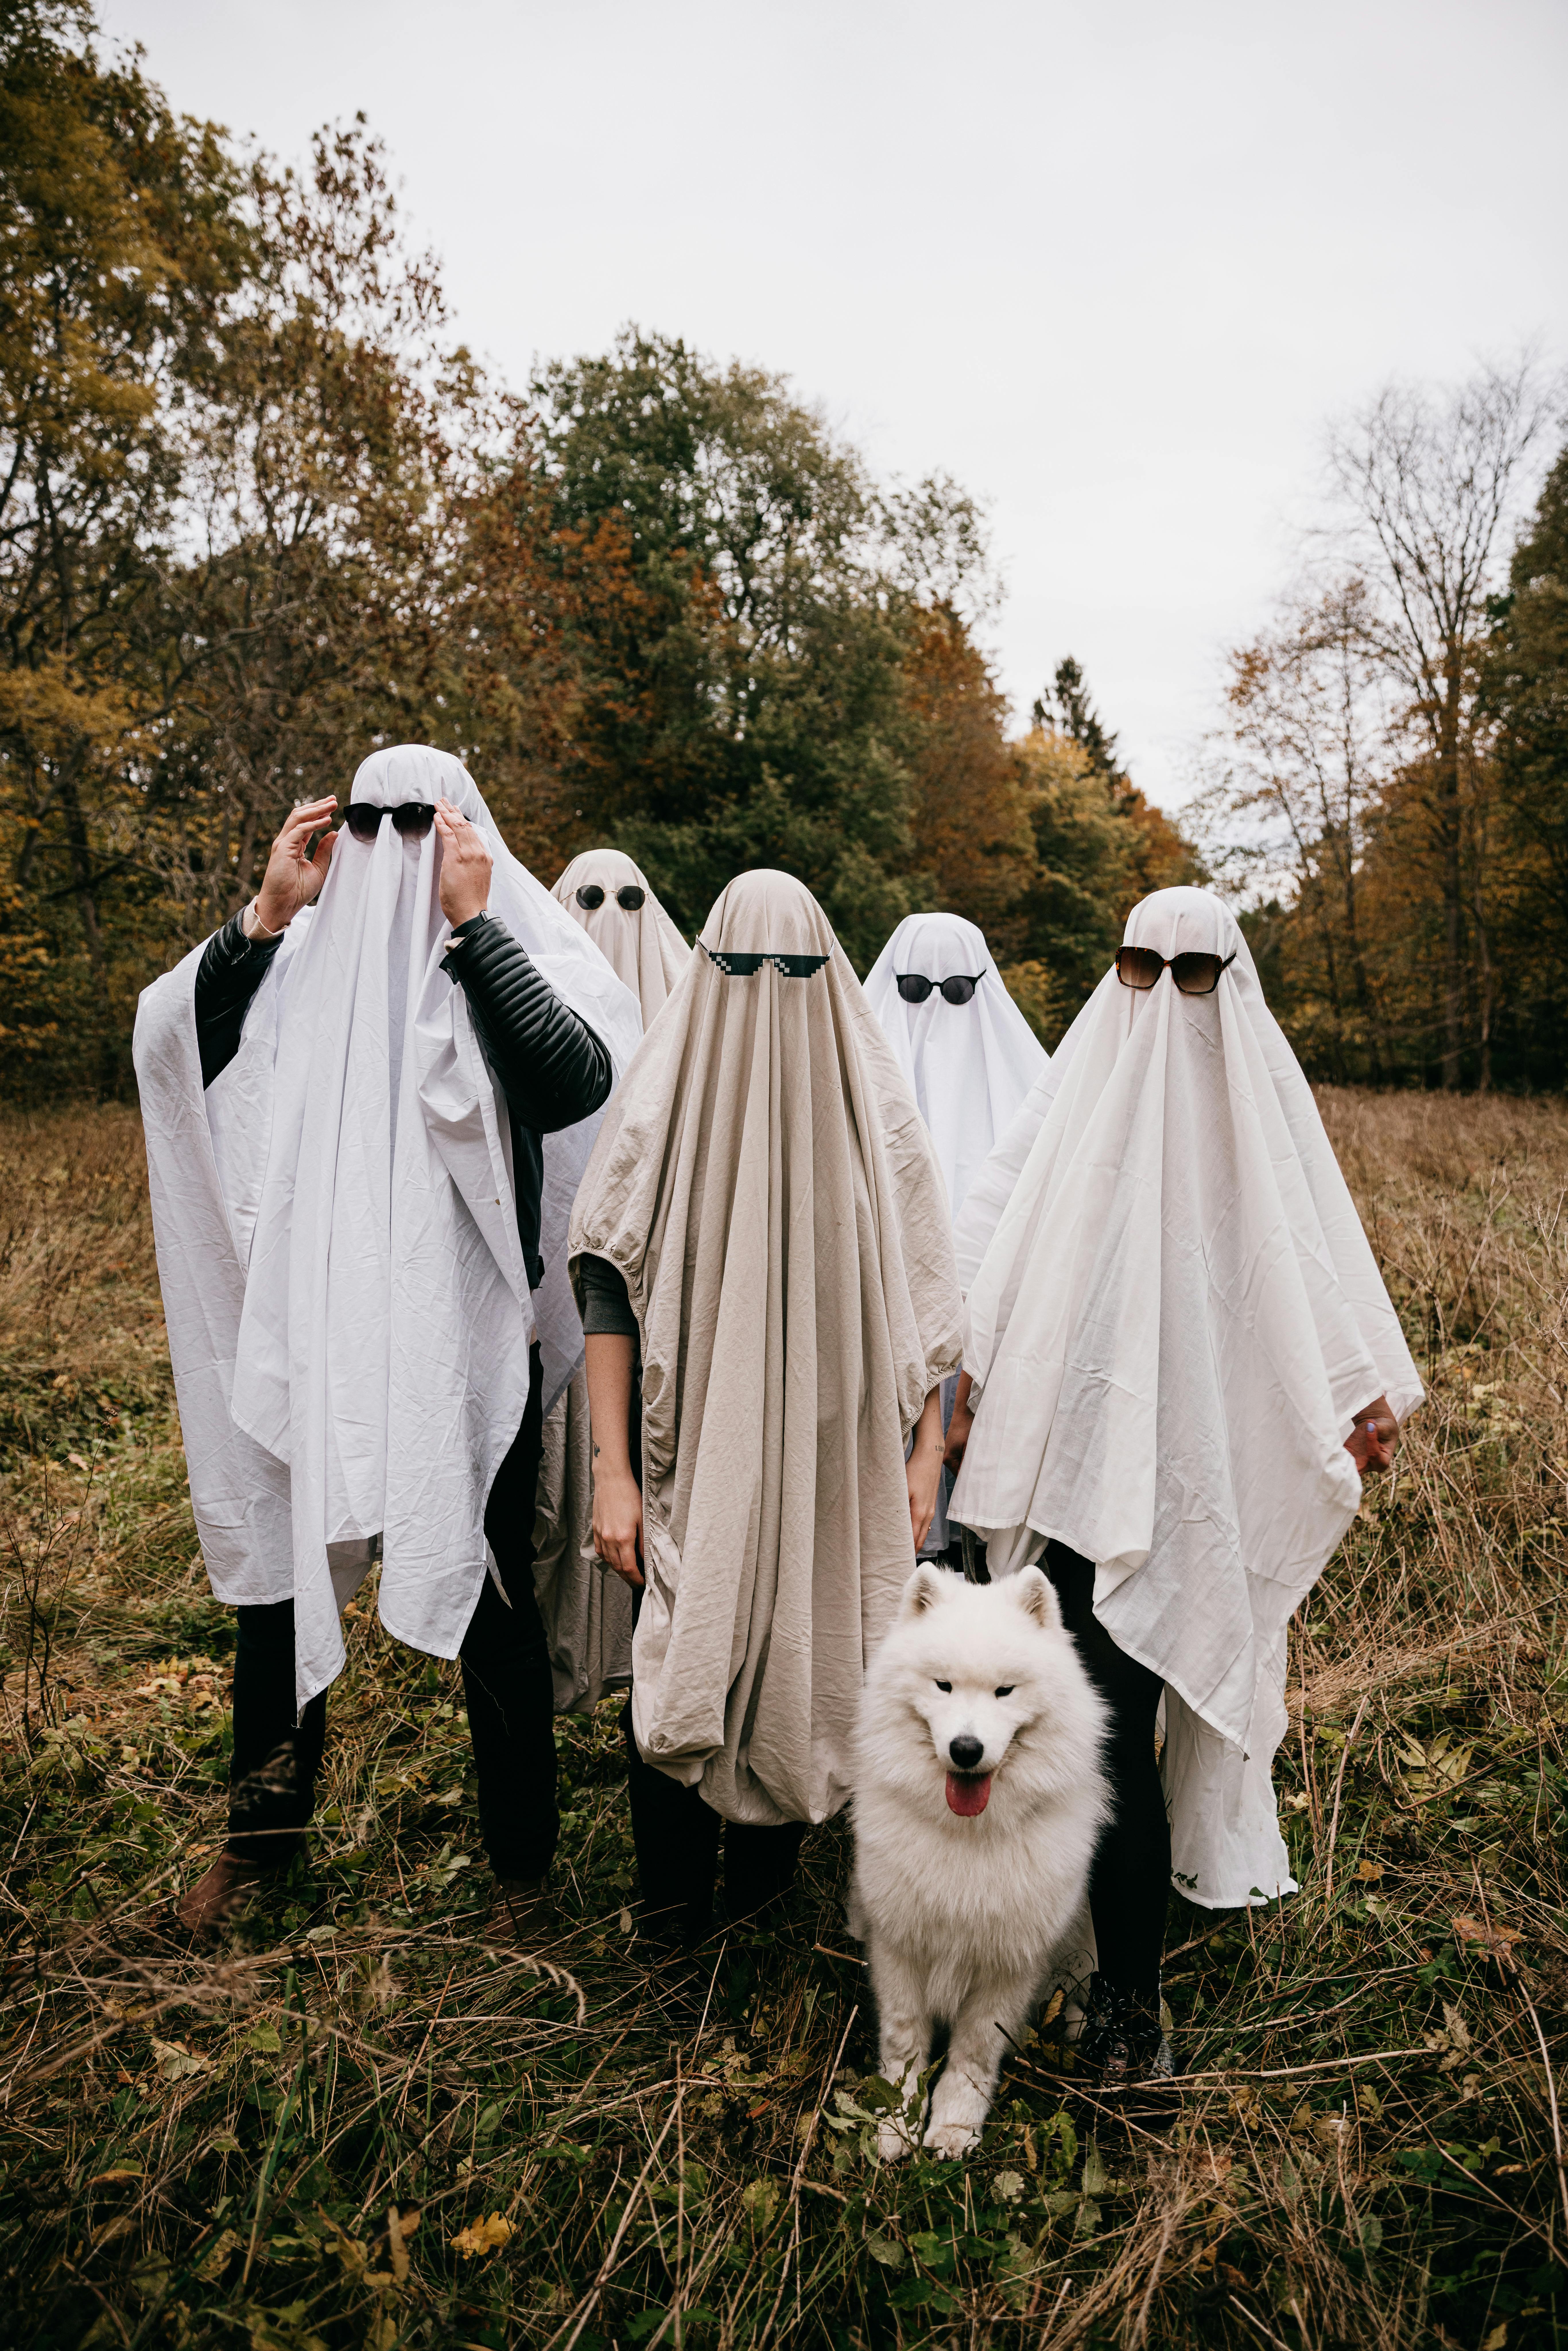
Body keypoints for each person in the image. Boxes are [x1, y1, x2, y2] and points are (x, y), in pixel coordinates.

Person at [133, 746, 641, 1939]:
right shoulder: (297, 960)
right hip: (318, 1330)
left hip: (470, 1344)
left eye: (418, 821)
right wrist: (263, 916)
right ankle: (258, 1847)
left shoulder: (512, 944)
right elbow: (173, 1044)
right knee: (281, 1588)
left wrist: (473, 928)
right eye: (369, 822)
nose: (392, 846)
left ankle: (520, 1875)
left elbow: (575, 1082)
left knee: (496, 1598)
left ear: (463, 830)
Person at [945, 886, 1422, 2090]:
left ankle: (1127, 1997)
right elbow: (992, 1235)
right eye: (1139, 967)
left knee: (1116, 1725)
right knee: (1082, 1726)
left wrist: (1353, 1401)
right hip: (1068, 1476)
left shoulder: (1257, 1113)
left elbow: (1309, 1261)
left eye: (1193, 972)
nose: (1164, 996)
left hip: (1191, 1486)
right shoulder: (1078, 1096)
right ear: (1115, 970)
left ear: (1230, 977)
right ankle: (1064, 1962)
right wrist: (958, 1380)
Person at [565, 870, 965, 1945]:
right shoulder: (665, 1096)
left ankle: (759, 1907)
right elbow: (607, 1285)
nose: (767, 991)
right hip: (688, 1447)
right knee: (685, 1647)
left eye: (792, 971)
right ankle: (670, 1930)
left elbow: (927, 1297)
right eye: (744, 969)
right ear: (708, 969)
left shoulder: (873, 1108)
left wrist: (925, 1453)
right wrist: (612, 1472)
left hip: (833, 1455)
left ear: (827, 976)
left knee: (803, 1646)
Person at [531, 850, 691, 1715]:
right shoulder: (535, 1007)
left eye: (629, 900)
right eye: (587, 899)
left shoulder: (688, 1023)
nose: (608, 917)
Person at [863, 911, 1048, 1560]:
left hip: (992, 1358)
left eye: (958, 992)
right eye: (915, 990)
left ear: (982, 987)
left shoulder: (1030, 1095)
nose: (936, 1011)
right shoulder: (855, 1083)